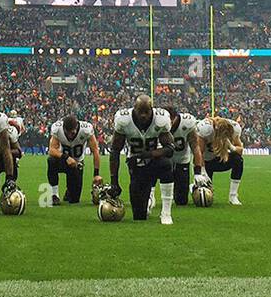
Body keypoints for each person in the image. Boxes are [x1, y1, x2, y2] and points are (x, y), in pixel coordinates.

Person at [109, 95, 176, 224]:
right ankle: (149, 199)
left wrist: (148, 154)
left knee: (167, 165)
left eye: (147, 112)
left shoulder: (161, 119)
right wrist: (114, 182)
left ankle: (166, 212)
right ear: (134, 109)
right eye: (141, 112)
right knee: (139, 216)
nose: (144, 115)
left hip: (155, 161)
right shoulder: (124, 120)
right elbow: (115, 151)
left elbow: (170, 149)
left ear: (152, 109)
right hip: (136, 165)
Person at [46, 114, 102, 205]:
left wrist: (96, 174)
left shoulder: (86, 129)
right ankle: (54, 195)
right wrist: (66, 157)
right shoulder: (57, 128)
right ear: (63, 129)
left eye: (72, 133)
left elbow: (95, 151)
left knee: (74, 200)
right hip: (63, 160)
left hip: (77, 164)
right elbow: (51, 150)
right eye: (67, 132)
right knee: (51, 160)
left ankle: (69, 190)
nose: (70, 135)